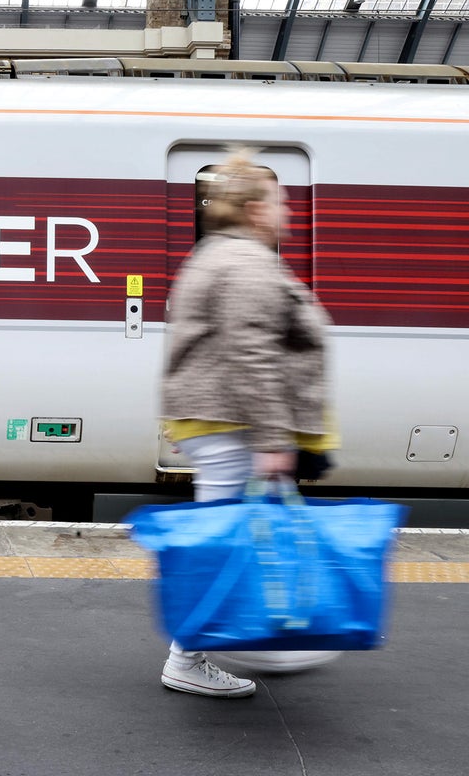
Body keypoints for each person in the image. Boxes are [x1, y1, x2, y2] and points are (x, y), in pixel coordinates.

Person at [158, 150, 337, 698]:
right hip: (232, 423)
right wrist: (274, 440)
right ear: (257, 209)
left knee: (233, 535)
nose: (286, 211)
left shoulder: (218, 254)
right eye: (280, 200)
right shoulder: (245, 263)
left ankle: (228, 644)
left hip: (218, 421)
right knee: (231, 539)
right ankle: (222, 649)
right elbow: (251, 354)